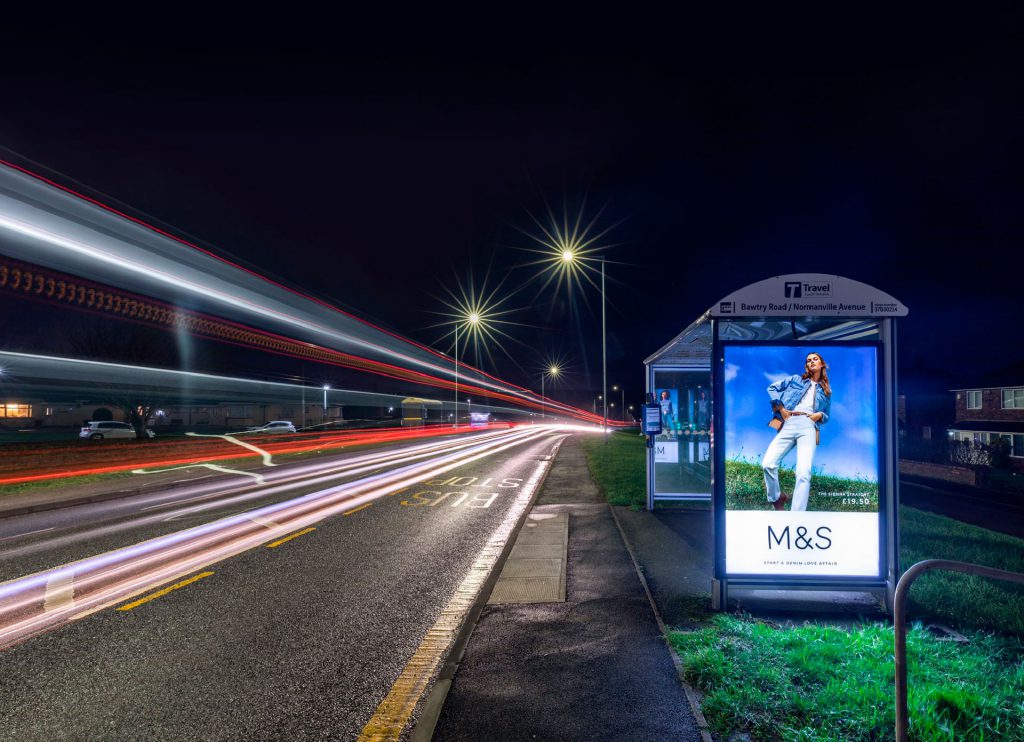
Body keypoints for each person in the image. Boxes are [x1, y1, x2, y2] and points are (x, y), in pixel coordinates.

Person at [762, 352, 832, 511]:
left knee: (803, 472)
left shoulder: (826, 391)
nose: (811, 361)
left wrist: (820, 415)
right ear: (806, 366)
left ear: (822, 364)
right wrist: (781, 408)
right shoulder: (796, 379)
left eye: (815, 359)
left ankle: (797, 515)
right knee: (768, 463)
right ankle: (777, 497)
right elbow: (772, 388)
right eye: (808, 360)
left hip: (808, 425)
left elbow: (827, 415)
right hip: (789, 421)